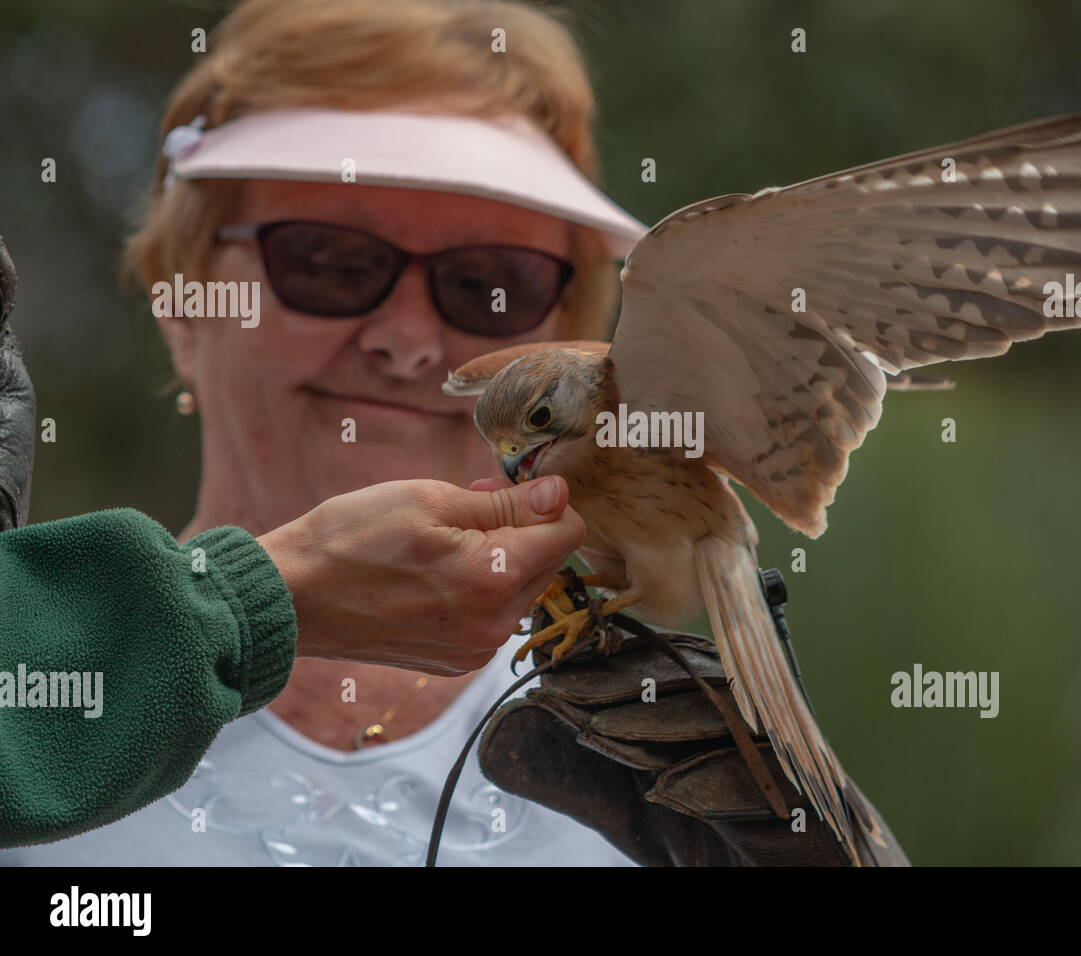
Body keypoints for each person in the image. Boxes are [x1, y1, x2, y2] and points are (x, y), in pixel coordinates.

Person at [0, 0, 647, 866]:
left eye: (492, 284)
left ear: (567, 326)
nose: (409, 340)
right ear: (182, 301)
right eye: (332, 264)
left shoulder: (671, 754)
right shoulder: (30, 707)